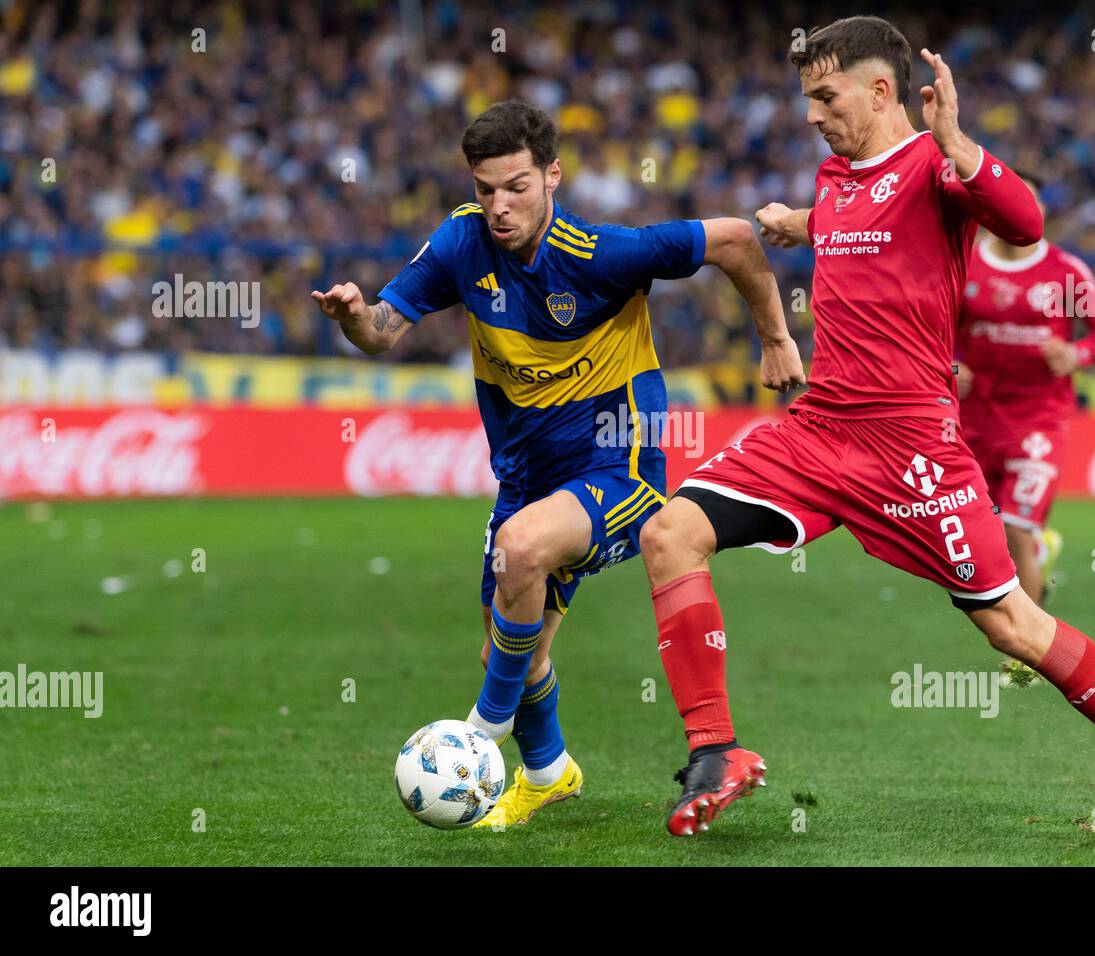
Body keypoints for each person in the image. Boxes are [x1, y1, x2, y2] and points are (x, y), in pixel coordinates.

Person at [638, 16, 1095, 847]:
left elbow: (1023, 219)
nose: (811, 113)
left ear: (882, 92)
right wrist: (795, 222)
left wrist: (960, 143)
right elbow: (852, 222)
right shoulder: (836, 179)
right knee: (671, 532)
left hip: (913, 448)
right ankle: (714, 753)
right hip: (818, 430)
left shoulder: (938, 170)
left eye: (825, 95)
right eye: (806, 97)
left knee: (1012, 623)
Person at [312, 100, 805, 829]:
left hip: (621, 463)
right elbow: (384, 331)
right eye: (485, 190)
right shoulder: (460, 244)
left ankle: (481, 735)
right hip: (527, 476)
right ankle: (547, 773)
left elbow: (734, 239)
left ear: (553, 176)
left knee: (520, 555)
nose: (499, 206)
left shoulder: (603, 254)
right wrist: (355, 316)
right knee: (508, 644)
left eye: (516, 186)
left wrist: (775, 339)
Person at [956, 175, 1095, 605]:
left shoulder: (1065, 272)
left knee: (1014, 525)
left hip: (1038, 422)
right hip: (974, 422)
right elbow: (930, 332)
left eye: (1027, 201)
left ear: (1040, 212)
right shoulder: (964, 265)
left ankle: (1023, 657)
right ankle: (1038, 551)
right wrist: (948, 366)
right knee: (986, 536)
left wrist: (1076, 354)